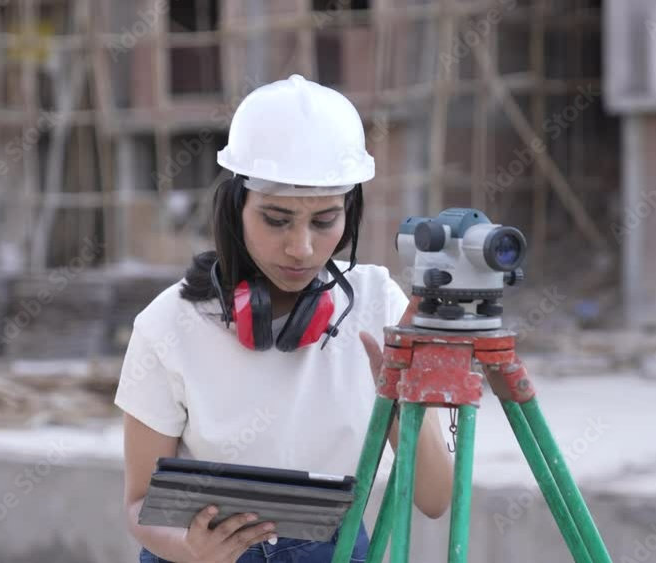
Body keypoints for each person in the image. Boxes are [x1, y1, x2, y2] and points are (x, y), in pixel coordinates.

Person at [116, 74, 454, 563]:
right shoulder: (169, 323)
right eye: (275, 220)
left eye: (324, 221)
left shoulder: (380, 303)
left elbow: (435, 499)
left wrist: (401, 406)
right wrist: (192, 550)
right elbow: (137, 504)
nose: (301, 248)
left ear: (350, 215)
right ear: (236, 209)